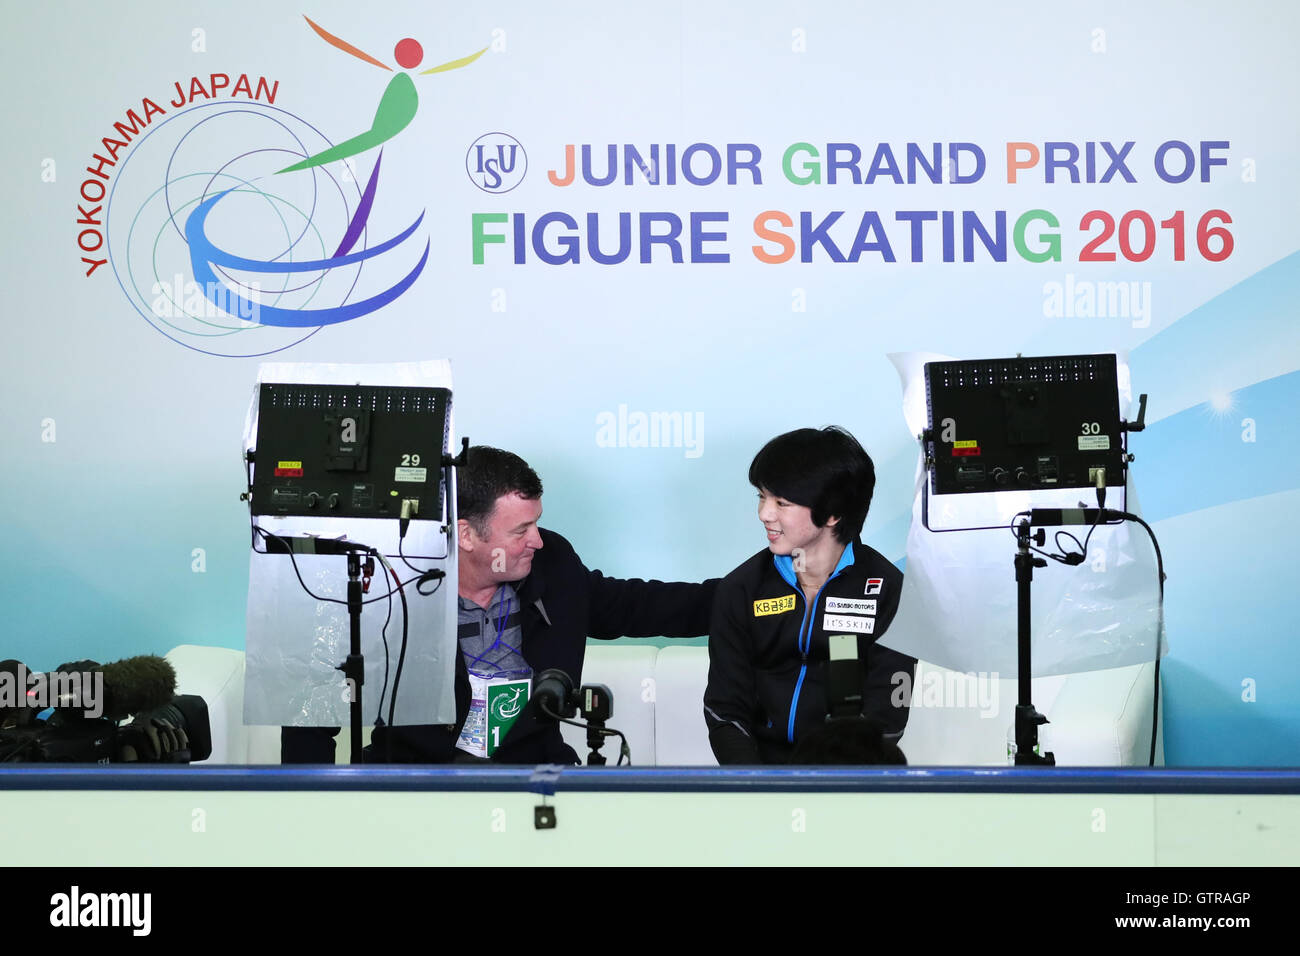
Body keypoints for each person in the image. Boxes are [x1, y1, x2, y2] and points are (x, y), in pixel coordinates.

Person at [282, 446, 716, 765]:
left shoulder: (553, 564)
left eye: (537, 523)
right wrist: (310, 812)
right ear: (467, 534)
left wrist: (750, 594)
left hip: (536, 782)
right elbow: (310, 707)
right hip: (413, 788)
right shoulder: (388, 584)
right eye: (520, 530)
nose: (537, 540)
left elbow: (643, 606)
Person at [704, 426, 916, 764]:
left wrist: (827, 789)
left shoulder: (889, 591)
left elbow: (886, 718)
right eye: (761, 496)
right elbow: (725, 710)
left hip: (848, 778)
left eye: (781, 502)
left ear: (833, 513)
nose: (764, 513)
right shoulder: (741, 589)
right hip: (758, 778)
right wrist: (756, 789)